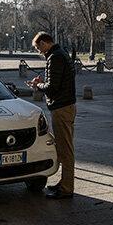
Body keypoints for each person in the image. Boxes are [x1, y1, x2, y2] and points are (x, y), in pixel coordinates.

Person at [27, 32, 76, 199]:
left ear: (45, 43)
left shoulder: (55, 57)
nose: (38, 51)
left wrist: (37, 85)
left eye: (38, 47)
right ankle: (64, 183)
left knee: (65, 150)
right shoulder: (61, 54)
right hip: (66, 105)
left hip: (61, 107)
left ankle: (67, 188)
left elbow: (52, 87)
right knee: (63, 148)